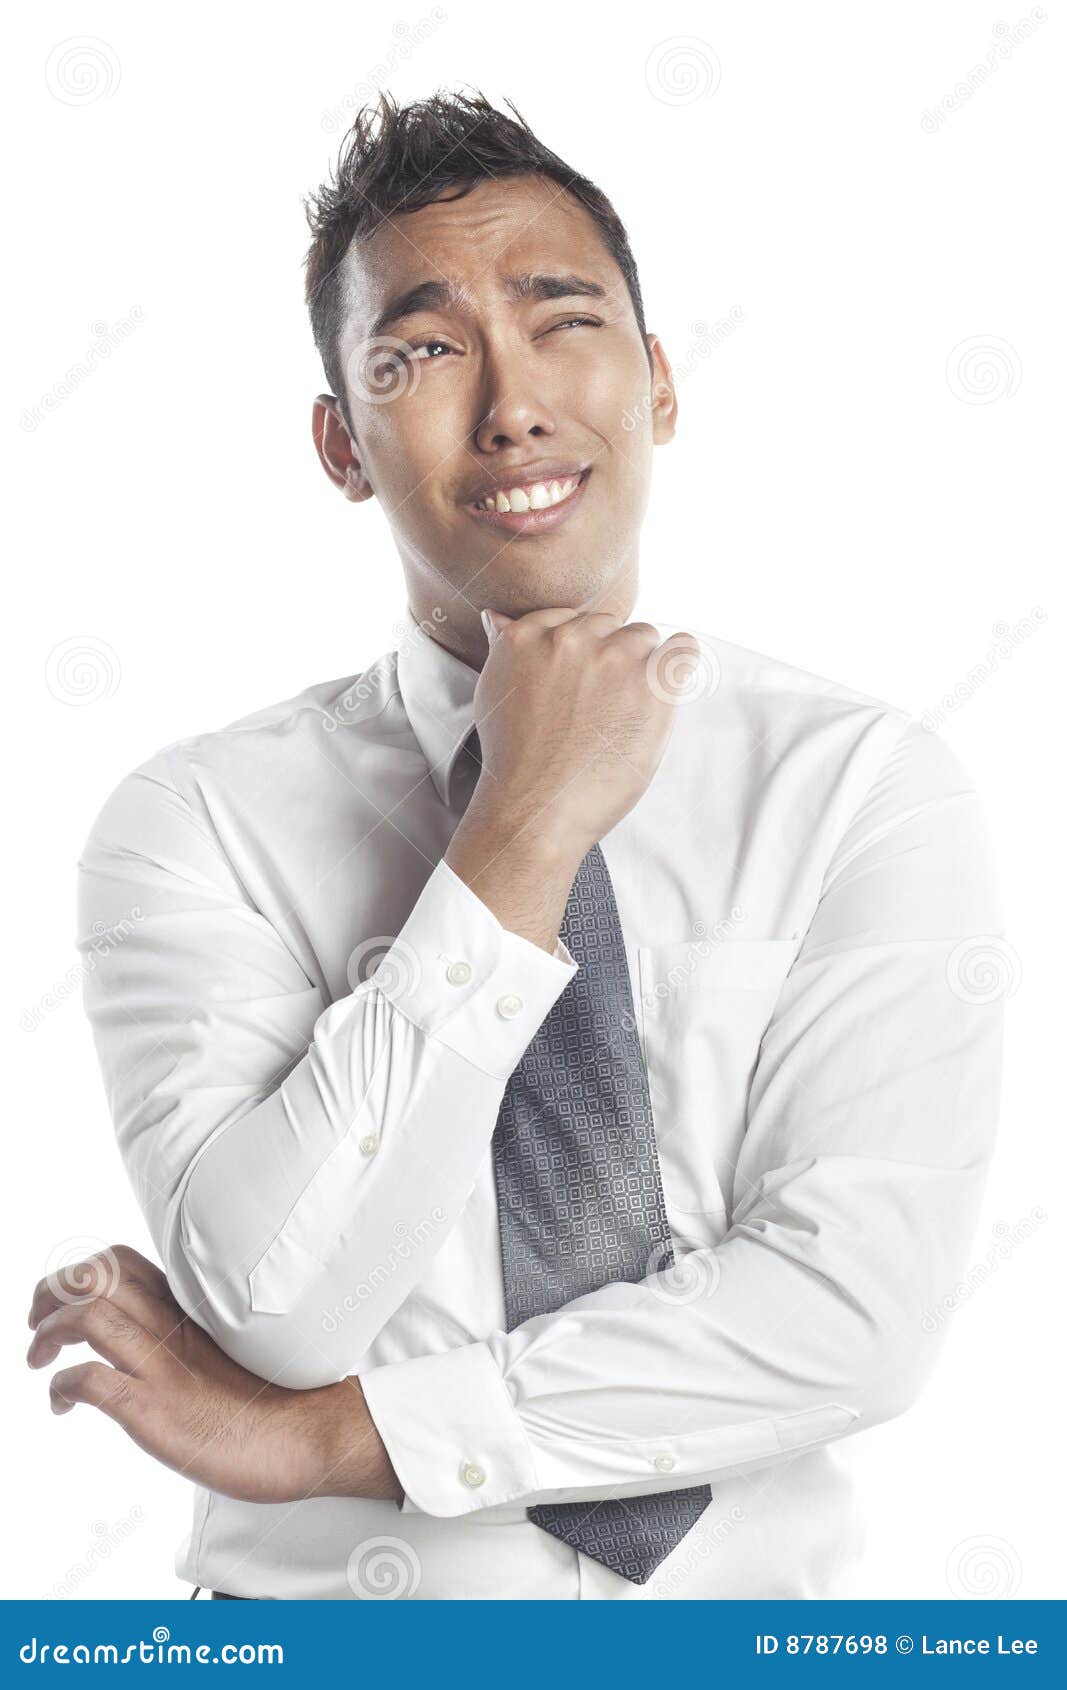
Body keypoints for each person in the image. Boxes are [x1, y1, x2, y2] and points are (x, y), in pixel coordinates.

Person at [26, 90, 1003, 1601]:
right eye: (420, 353)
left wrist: (337, 1440)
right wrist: (520, 829)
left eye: (562, 322)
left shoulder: (863, 785)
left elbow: (851, 1315)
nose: (511, 405)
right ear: (341, 445)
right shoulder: (191, 824)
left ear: (661, 381)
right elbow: (281, 1303)